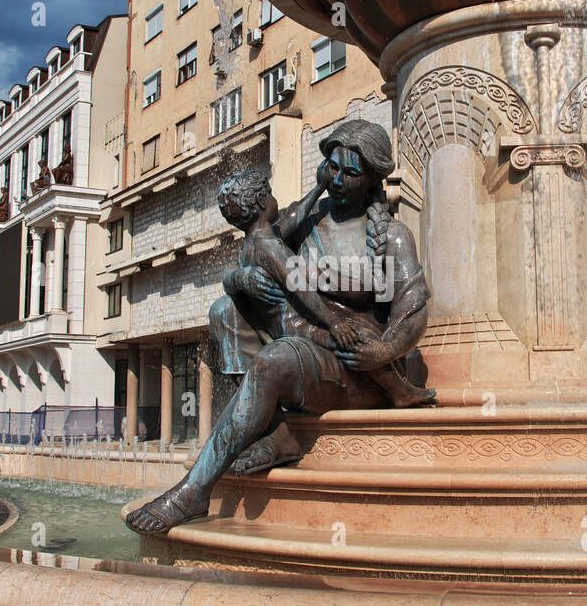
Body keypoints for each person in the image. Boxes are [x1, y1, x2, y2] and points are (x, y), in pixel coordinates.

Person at [126, 120, 433, 534]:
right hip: (309, 341)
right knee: (224, 310)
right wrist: (237, 281)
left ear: (374, 178)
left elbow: (412, 308)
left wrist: (385, 351)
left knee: (276, 359)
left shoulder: (392, 236)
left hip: (356, 362)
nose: (338, 180)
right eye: (332, 167)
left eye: (351, 173)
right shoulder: (304, 224)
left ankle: (193, 492)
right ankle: (272, 430)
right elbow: (254, 254)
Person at [216, 168, 431, 406]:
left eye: (349, 171)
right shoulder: (270, 245)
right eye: (270, 193)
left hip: (291, 322)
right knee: (355, 338)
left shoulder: (256, 242)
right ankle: (401, 392)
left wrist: (319, 187)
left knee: (357, 336)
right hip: (297, 324)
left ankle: (399, 390)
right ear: (261, 200)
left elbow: (295, 215)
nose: (337, 180)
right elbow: (300, 287)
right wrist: (334, 322)